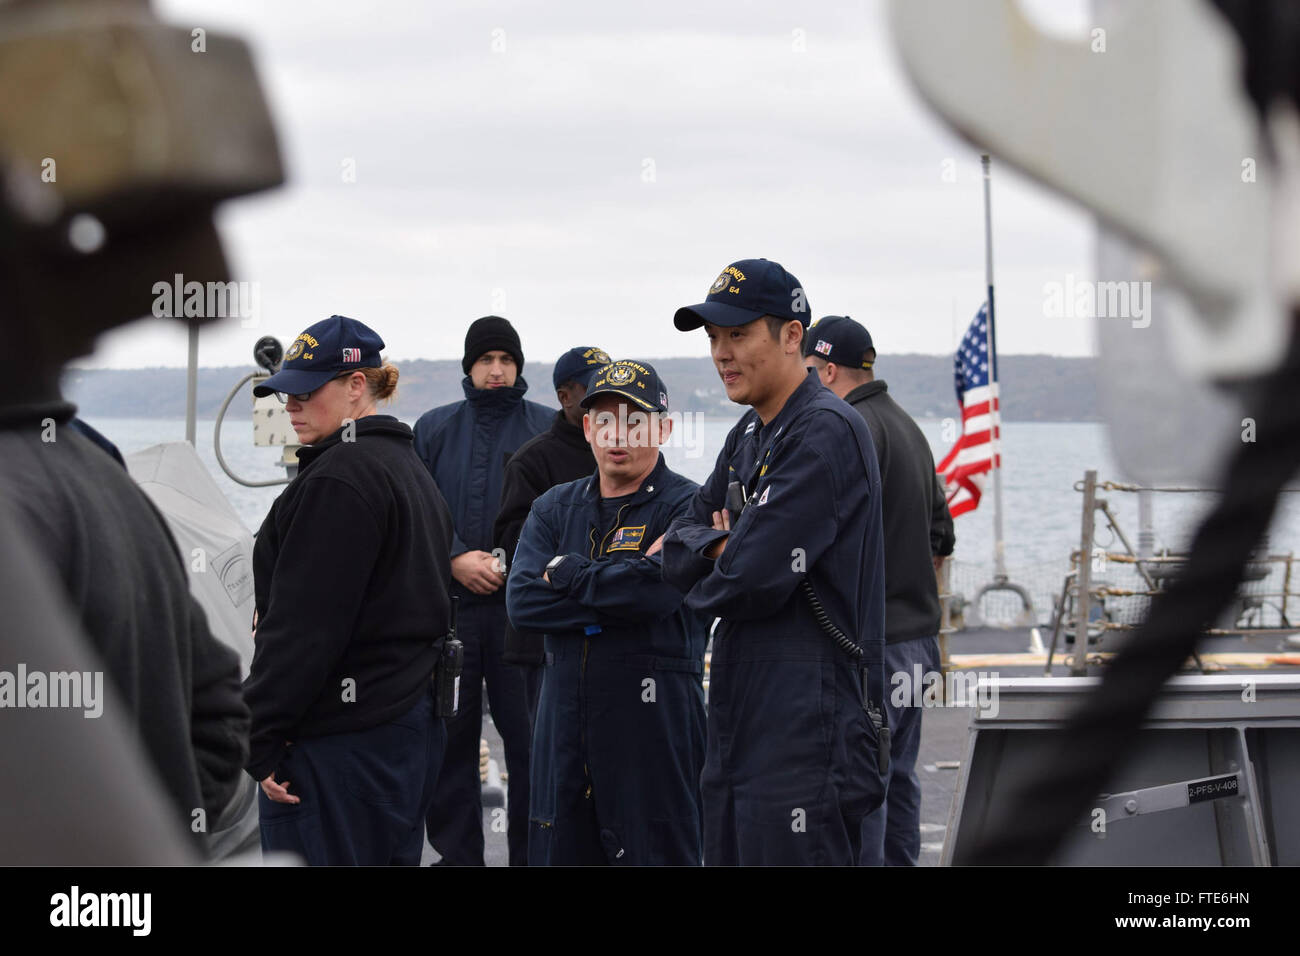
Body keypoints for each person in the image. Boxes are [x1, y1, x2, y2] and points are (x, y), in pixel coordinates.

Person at [662, 258, 889, 866]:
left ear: (793, 336)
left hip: (807, 727)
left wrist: (719, 550)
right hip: (743, 719)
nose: (721, 353)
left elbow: (747, 580)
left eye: (738, 334)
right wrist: (716, 543)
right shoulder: (750, 433)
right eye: (713, 338)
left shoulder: (823, 433)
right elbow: (675, 543)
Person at [243, 315, 455, 866]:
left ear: (357, 386)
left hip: (338, 745)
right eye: (284, 393)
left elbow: (304, 630)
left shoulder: (340, 478)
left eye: (306, 391)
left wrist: (259, 736)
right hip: (404, 727)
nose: (290, 405)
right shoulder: (408, 468)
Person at [507, 360, 710, 864]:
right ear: (587, 427)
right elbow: (523, 603)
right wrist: (617, 595)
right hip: (563, 732)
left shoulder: (690, 507)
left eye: (635, 420)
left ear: (664, 427)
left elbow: (659, 594)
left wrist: (571, 575)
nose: (619, 434)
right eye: (604, 419)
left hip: (655, 731)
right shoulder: (554, 507)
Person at [803, 315, 956, 865]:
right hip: (919, 639)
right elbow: (943, 537)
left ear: (826, 369)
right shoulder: (911, 429)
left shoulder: (849, 428)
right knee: (899, 777)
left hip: (873, 645)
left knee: (861, 785)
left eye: (809, 371)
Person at [414, 315, 553, 866]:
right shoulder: (433, 428)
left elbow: (559, 512)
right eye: (485, 361)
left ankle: (530, 858)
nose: (496, 371)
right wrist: (452, 557)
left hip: (524, 617)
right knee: (449, 746)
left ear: (518, 367)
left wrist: (512, 566)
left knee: (530, 747)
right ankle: (459, 859)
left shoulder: (545, 428)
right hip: (451, 616)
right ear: (468, 367)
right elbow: (418, 508)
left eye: (506, 361)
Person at [495, 345, 611, 722]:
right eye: (594, 390)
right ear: (565, 397)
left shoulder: (626, 453)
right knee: (544, 759)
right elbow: (516, 545)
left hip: (613, 635)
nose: (605, 400)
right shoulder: (532, 461)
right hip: (545, 643)